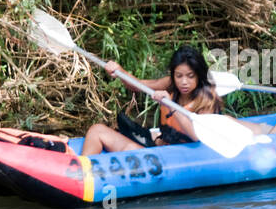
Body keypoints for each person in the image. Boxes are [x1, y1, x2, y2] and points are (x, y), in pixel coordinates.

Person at [81, 45, 224, 155]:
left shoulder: (207, 98)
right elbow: (139, 86)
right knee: (96, 130)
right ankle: (80, 174)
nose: (184, 82)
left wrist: (171, 105)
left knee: (130, 148)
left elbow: (196, 135)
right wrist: (120, 72)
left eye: (190, 76)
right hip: (160, 146)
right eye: (179, 75)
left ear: (199, 75)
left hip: (184, 156)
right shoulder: (171, 84)